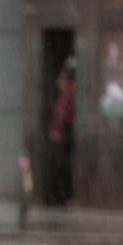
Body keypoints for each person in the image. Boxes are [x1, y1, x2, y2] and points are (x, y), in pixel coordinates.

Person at [46, 58, 76, 206]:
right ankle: (61, 195)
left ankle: (63, 195)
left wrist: (57, 130)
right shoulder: (66, 95)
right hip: (65, 134)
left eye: (61, 78)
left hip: (65, 134)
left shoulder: (67, 95)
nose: (59, 81)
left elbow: (62, 115)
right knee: (62, 165)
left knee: (63, 165)